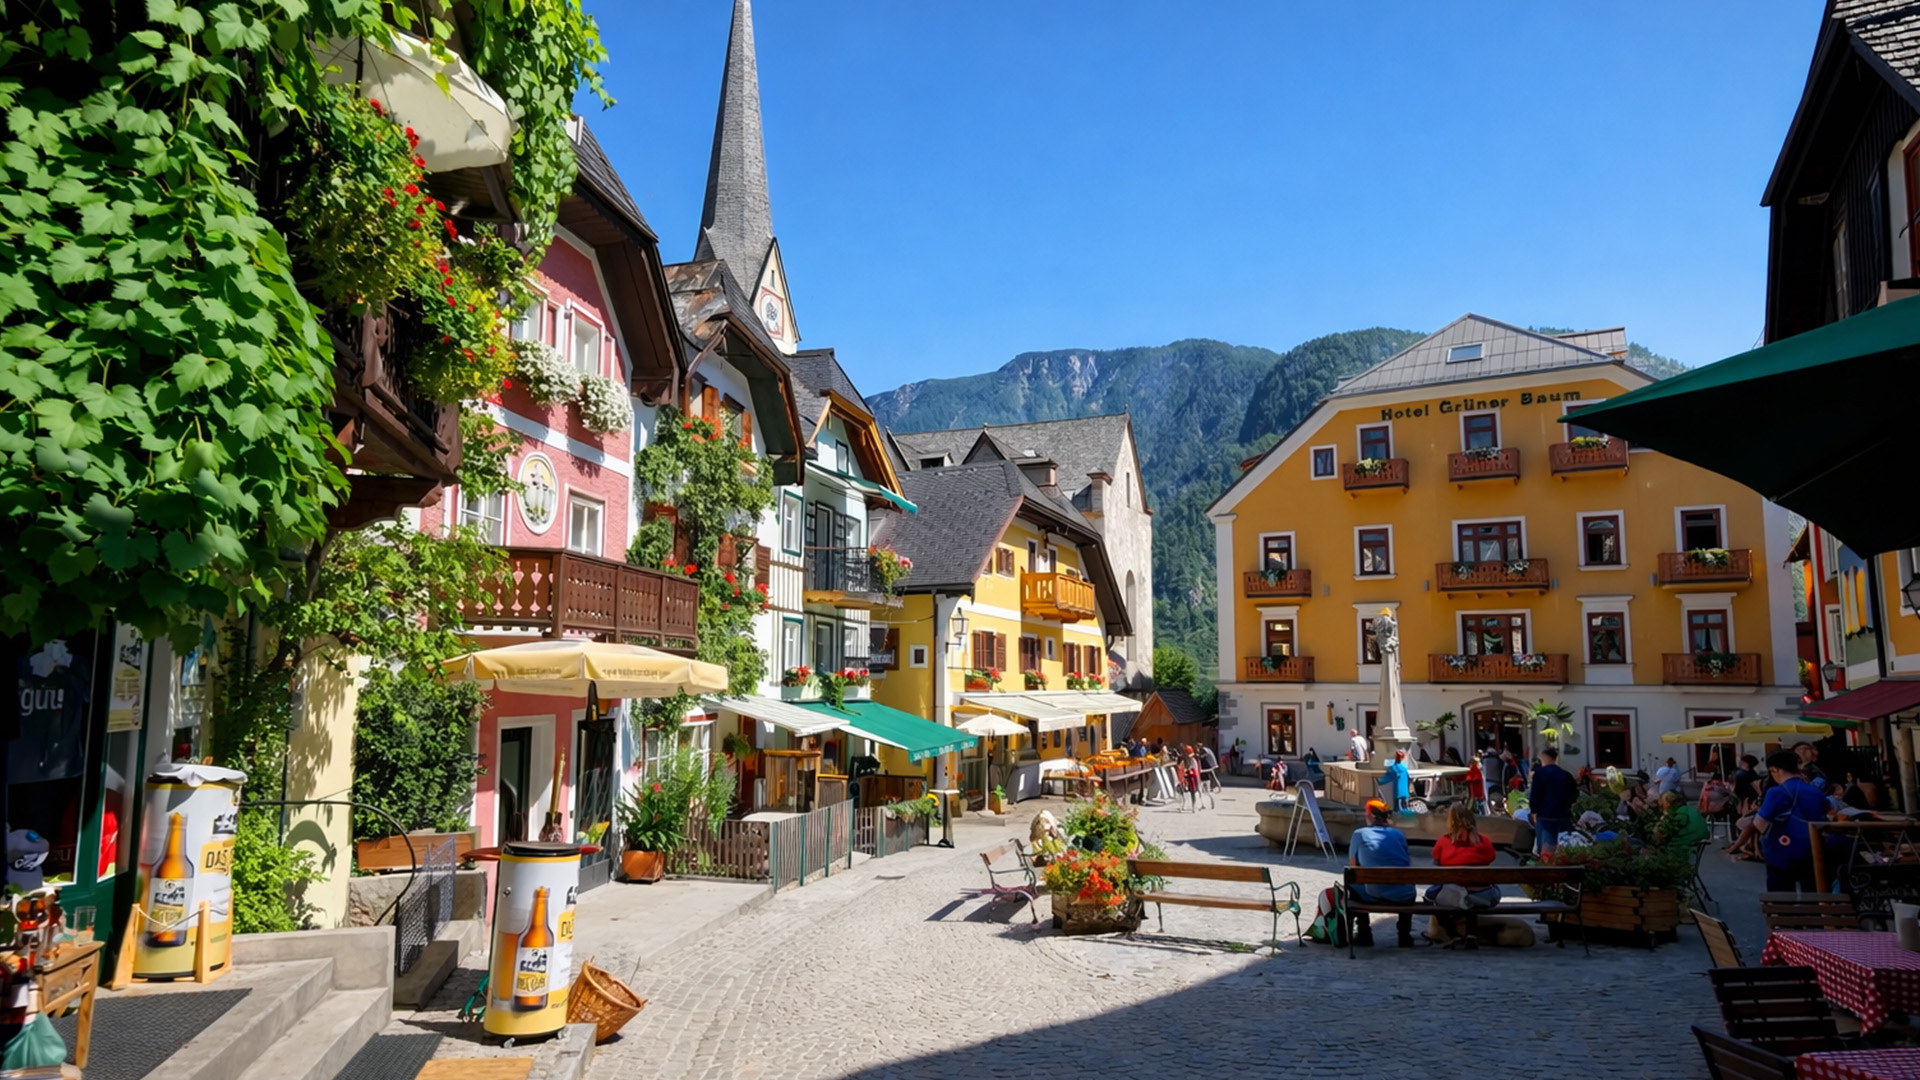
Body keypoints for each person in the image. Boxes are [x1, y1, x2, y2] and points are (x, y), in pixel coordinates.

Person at [1756, 748, 1830, 891]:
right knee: (1812, 894)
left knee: (1782, 897)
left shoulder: (1776, 792)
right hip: (1812, 850)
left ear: (1775, 770)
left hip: (1780, 852)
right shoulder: (1815, 792)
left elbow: (1760, 823)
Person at [1427, 802, 1500, 943]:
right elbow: (1491, 857)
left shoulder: (1444, 842)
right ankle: (1471, 934)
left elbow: (1436, 860)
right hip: (1485, 895)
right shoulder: (1484, 842)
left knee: (1434, 896)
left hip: (1456, 896)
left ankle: (1453, 934)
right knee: (1470, 894)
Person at [1349, 800, 1416, 947]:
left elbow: (1353, 866)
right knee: (1407, 885)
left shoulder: (1359, 834)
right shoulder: (1399, 835)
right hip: (1403, 895)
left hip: (1375, 893)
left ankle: (1364, 933)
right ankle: (1404, 934)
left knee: (1353, 884)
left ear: (1370, 816)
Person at [1528, 745, 1578, 853]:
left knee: (1546, 852)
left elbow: (1535, 795)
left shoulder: (1540, 774)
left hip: (1545, 816)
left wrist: (1534, 811)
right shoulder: (1566, 775)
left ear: (1544, 757)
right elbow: (1574, 796)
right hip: (1563, 816)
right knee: (1563, 849)